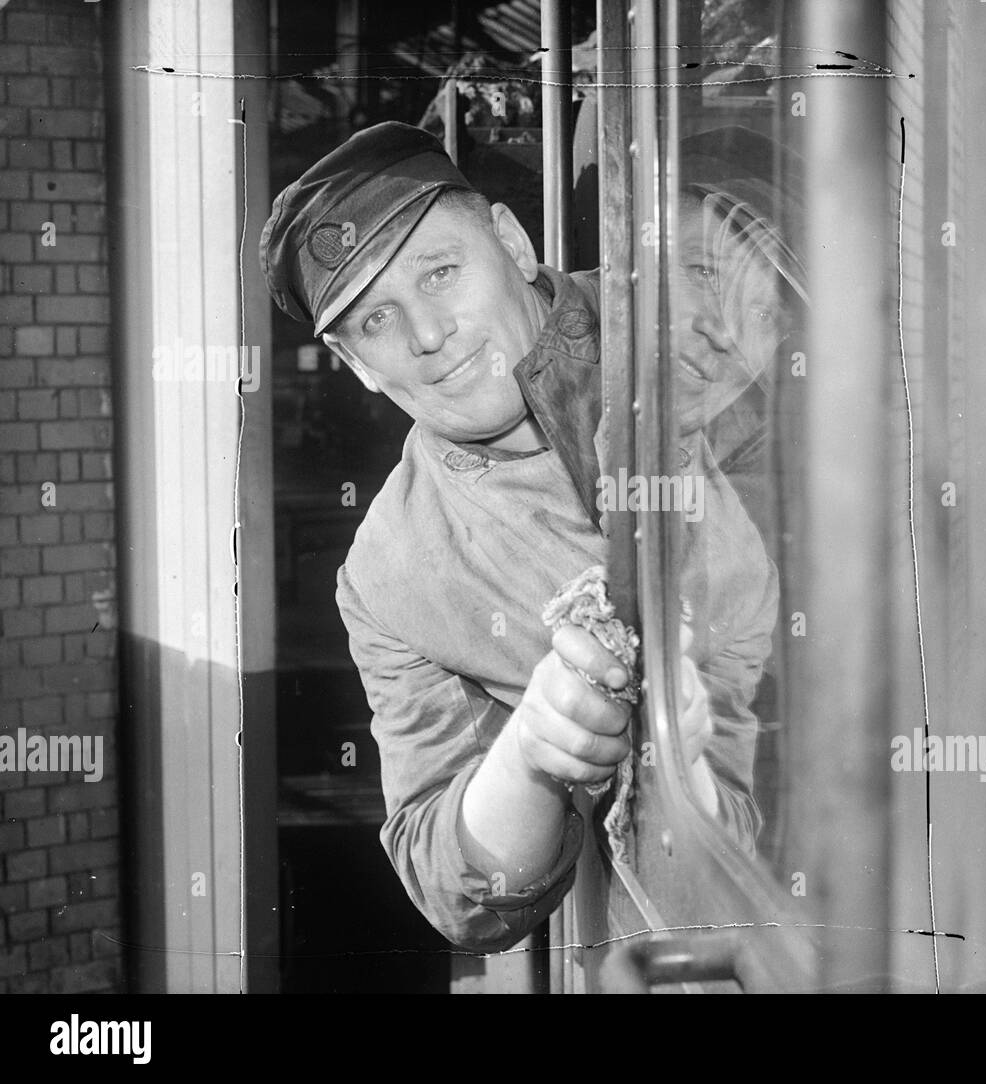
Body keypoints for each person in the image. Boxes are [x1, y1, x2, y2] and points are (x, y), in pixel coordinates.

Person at [259, 122, 777, 952]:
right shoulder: (393, 571)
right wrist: (534, 753)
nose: (427, 335)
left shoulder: (686, 305)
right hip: (735, 941)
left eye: (442, 272)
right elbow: (452, 882)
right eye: (376, 321)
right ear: (353, 363)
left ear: (512, 239)